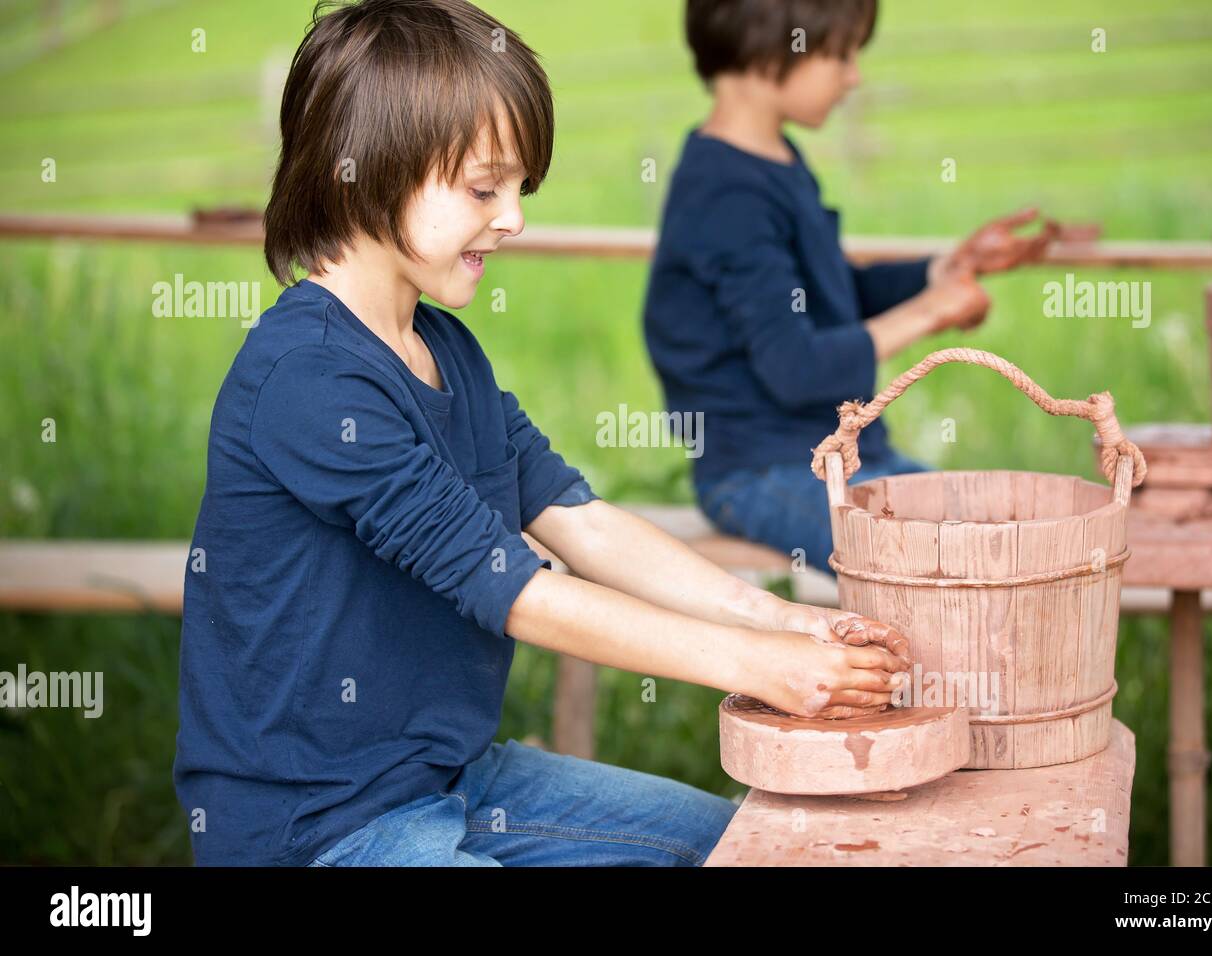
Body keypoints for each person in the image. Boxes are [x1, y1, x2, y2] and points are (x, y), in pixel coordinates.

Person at [172, 0, 912, 868]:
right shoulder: (304, 377)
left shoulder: (446, 349)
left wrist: (784, 625)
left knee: (744, 851)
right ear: (364, 169)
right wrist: (756, 667)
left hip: (456, 780)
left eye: (520, 189)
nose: (515, 218)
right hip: (320, 831)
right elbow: (515, 590)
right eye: (485, 189)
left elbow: (578, 519)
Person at [643, 0, 1056, 574]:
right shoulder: (727, 195)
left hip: (844, 456)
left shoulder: (773, 160)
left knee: (1010, 527)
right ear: (769, 47)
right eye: (839, 54)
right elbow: (794, 366)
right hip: (764, 470)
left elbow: (829, 294)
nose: (853, 76)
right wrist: (933, 313)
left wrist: (942, 270)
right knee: (949, 563)